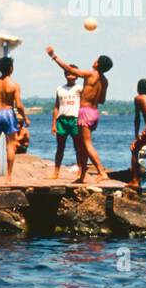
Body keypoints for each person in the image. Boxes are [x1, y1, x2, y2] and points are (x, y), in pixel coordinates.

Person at [45, 46, 112, 184]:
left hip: (85, 112)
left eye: (96, 59)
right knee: (81, 146)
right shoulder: (105, 81)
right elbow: (102, 100)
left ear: (98, 64)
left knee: (87, 144)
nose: (94, 60)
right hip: (94, 112)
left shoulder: (90, 74)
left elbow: (70, 69)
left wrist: (54, 56)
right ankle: (82, 177)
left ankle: (101, 171)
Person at [0, 56, 30, 184]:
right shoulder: (14, 85)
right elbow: (19, 105)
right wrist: (25, 117)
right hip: (8, 113)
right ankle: (8, 177)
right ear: (11, 68)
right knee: (10, 146)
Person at [49, 68, 83, 180]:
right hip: (62, 120)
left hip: (75, 120)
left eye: (73, 73)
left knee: (78, 147)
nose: (70, 75)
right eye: (67, 73)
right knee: (60, 147)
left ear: (77, 76)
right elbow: (56, 106)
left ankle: (80, 171)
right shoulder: (60, 89)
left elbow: (84, 104)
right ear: (64, 74)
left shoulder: (80, 88)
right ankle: (56, 172)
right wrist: (54, 124)